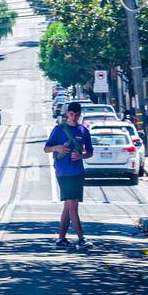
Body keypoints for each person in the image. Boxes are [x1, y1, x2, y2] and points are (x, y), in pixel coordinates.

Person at [45, 101, 94, 248]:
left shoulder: (83, 131)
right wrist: (57, 148)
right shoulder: (58, 129)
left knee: (68, 205)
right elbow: (46, 148)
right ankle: (81, 238)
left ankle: (61, 238)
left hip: (78, 172)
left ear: (80, 115)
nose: (74, 117)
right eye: (72, 114)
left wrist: (81, 156)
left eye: (77, 115)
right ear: (67, 114)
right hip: (63, 172)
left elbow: (90, 152)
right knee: (73, 205)